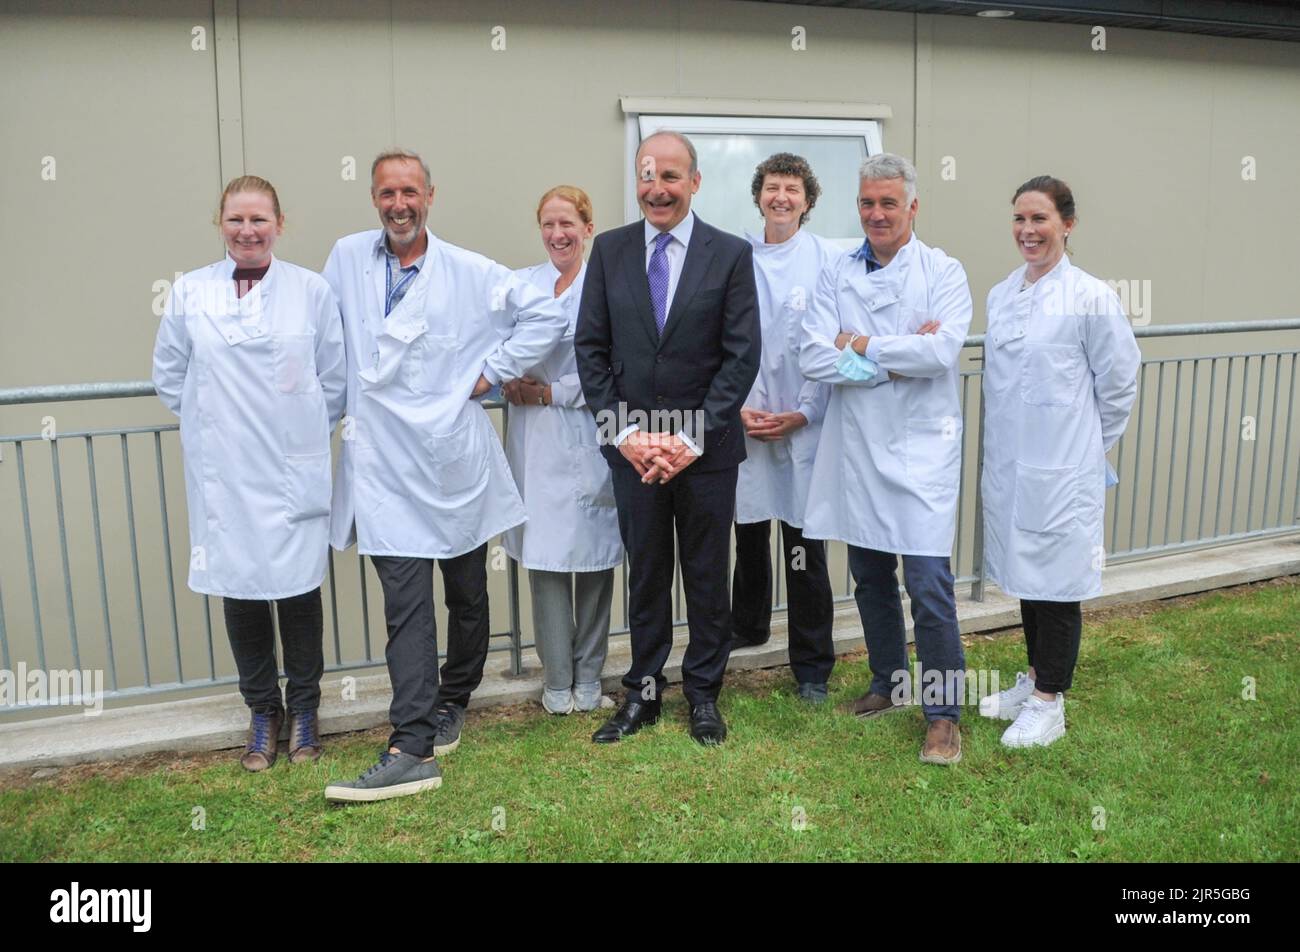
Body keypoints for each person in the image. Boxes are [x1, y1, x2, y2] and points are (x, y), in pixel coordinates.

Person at [321, 150, 567, 802]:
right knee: (406, 607)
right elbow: (323, 337)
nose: (398, 204)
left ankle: (454, 696)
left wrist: (486, 377)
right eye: (386, 193)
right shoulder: (347, 258)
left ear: (431, 194)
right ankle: (411, 744)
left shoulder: (469, 270)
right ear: (374, 198)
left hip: (449, 459)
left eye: (410, 191)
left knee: (466, 593)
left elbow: (546, 313)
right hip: (379, 465)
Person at [152, 175, 346, 772]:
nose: (248, 230)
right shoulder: (188, 292)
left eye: (259, 219)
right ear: (220, 223)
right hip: (225, 476)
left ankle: (306, 710)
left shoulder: (311, 292)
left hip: (291, 471)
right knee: (240, 590)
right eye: (236, 219)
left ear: (280, 224)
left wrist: (291, 429)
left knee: (297, 590)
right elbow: (169, 375)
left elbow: (334, 382)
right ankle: (263, 711)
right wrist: (221, 427)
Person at [575, 130, 760, 746]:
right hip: (632, 451)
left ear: (695, 182)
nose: (658, 188)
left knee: (708, 577)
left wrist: (691, 439)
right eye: (647, 176)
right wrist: (625, 437)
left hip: (704, 454)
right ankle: (644, 696)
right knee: (647, 576)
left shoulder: (730, 254)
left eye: (671, 177)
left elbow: (741, 357)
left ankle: (704, 696)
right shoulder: (608, 250)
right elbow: (590, 352)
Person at [800, 153, 972, 766]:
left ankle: (944, 714)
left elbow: (942, 352)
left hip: (922, 452)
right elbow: (812, 356)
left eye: (888, 203)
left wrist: (863, 345)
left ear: (913, 207)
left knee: (929, 586)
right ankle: (887, 681)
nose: (876, 213)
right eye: (868, 203)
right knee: (870, 576)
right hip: (857, 452)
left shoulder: (945, 272)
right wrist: (892, 363)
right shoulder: (835, 272)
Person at [977, 175, 1140, 747]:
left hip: (1062, 468)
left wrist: (1085, 449)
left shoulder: (1092, 297)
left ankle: (1050, 703)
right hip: (1014, 467)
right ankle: (1035, 679)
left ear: (1067, 225)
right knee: (1027, 577)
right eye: (1019, 219)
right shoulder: (1002, 294)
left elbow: (1119, 384)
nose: (1028, 230)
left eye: (1040, 219)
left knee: (1058, 585)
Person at [501, 186, 623, 715]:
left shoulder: (609, 284)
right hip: (534, 438)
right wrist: (506, 383)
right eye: (548, 224)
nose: (558, 234)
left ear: (588, 228)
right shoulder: (520, 285)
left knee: (596, 558)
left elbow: (614, 367)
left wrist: (552, 392)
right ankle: (556, 682)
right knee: (544, 558)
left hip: (586, 431)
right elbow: (495, 348)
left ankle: (590, 679)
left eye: (568, 224)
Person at [731, 153, 841, 704]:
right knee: (748, 533)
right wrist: (738, 410)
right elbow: (721, 339)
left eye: (791, 189)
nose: (781, 197)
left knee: (804, 545)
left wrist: (804, 412)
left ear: (808, 199)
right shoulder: (735, 257)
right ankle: (747, 625)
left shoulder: (828, 259)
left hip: (802, 421)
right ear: (758, 197)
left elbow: (836, 339)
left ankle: (812, 666)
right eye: (771, 187)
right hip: (747, 420)